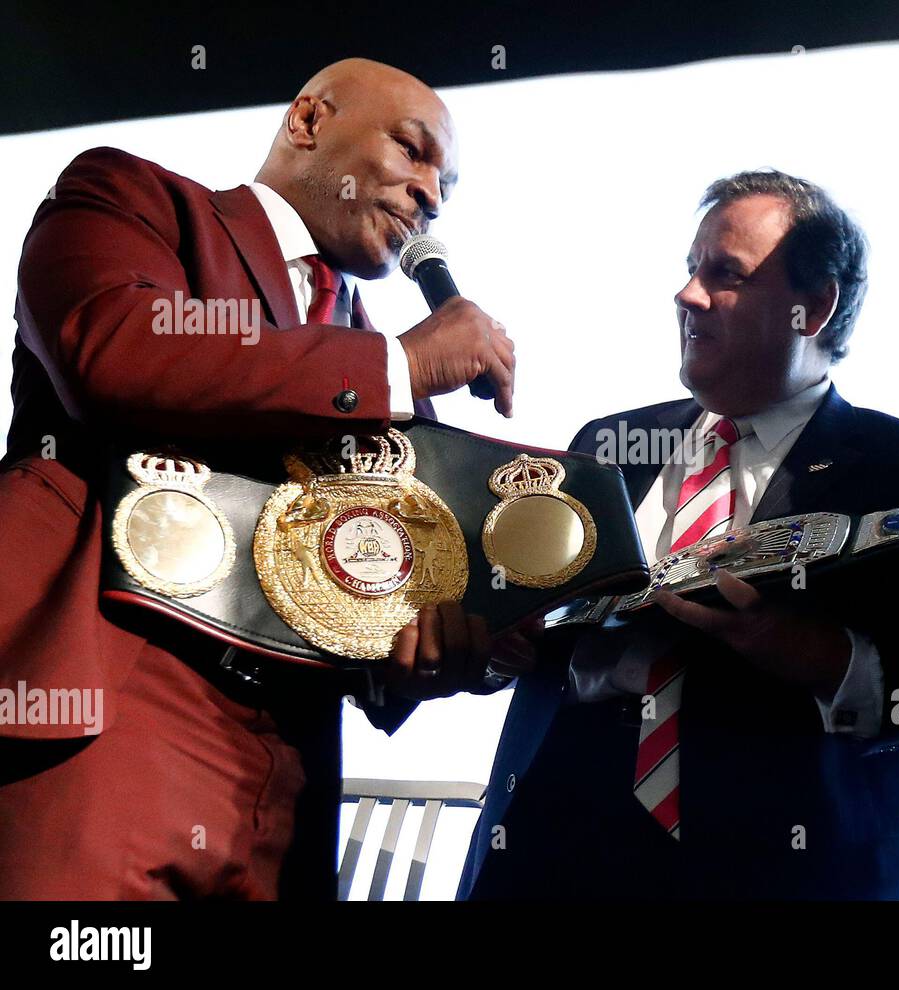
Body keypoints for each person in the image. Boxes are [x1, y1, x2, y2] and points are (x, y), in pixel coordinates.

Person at [0, 58, 522, 900]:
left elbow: (370, 594)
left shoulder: (390, 400)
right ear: (309, 120)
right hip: (108, 710)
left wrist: (434, 654)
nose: (431, 193)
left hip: (291, 773)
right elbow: (116, 351)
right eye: (413, 150)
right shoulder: (130, 197)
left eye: (447, 188)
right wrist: (403, 362)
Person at [459, 170, 899, 900]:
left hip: (795, 865)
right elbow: (524, 636)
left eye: (725, 275)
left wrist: (823, 659)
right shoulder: (604, 446)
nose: (688, 294)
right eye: (691, 270)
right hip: (554, 845)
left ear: (814, 307)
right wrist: (502, 644)